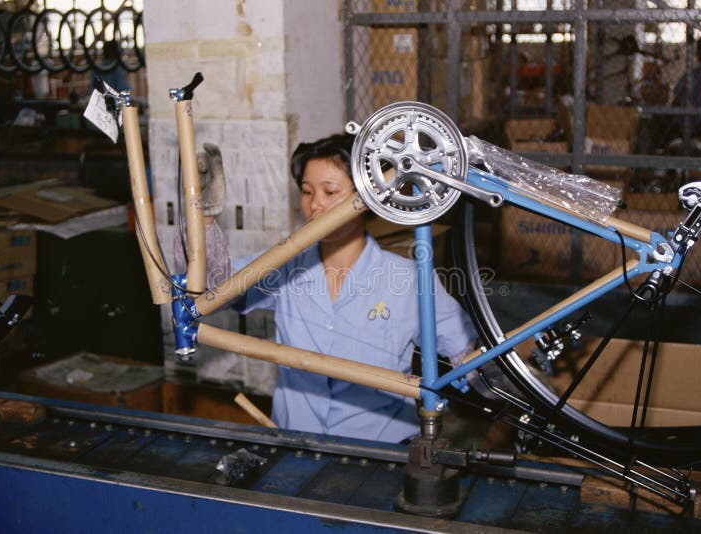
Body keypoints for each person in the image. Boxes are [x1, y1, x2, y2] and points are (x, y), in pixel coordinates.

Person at [177, 133, 480, 443]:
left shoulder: (407, 280)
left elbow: (466, 356)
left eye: (330, 191)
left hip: (382, 450)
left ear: (367, 196)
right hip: (296, 444)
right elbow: (214, 287)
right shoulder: (284, 266)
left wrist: (507, 376)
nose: (315, 205)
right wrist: (204, 217)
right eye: (307, 192)